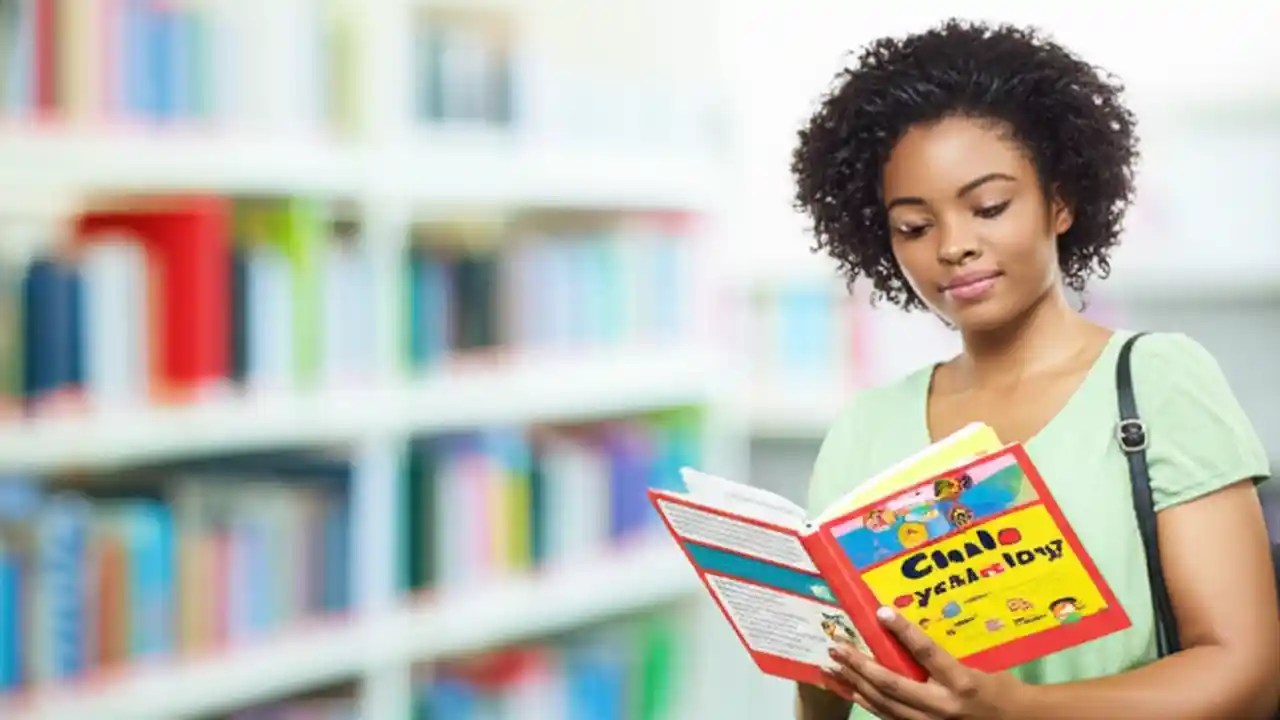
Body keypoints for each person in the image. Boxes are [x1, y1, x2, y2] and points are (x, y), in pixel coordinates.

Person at [788, 18, 1280, 720]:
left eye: (989, 206)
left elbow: (1247, 674)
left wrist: (1012, 708)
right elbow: (826, 700)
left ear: (1061, 200)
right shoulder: (864, 428)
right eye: (914, 227)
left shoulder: (1156, 383)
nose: (954, 247)